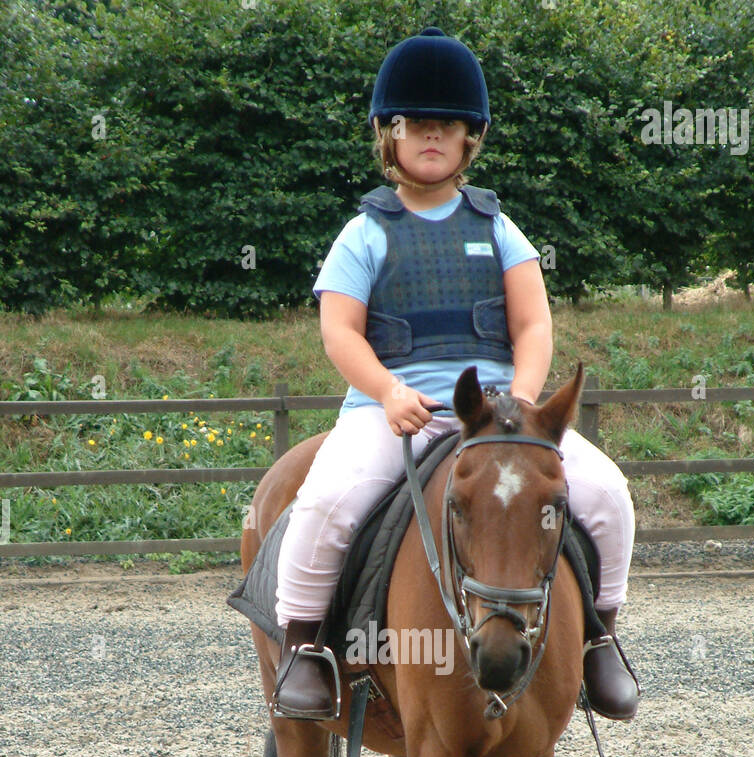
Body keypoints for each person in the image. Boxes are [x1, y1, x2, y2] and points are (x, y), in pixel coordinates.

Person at [273, 26, 639, 722]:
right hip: (393, 411)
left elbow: (533, 324)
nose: (432, 136)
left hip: (498, 413)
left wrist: (524, 399)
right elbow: (339, 331)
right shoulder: (364, 233)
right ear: (390, 134)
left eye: (449, 125)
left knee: (608, 493)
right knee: (329, 501)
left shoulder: (500, 228)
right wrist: (386, 391)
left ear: (471, 138)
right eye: (416, 125)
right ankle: (305, 652)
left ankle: (600, 641)